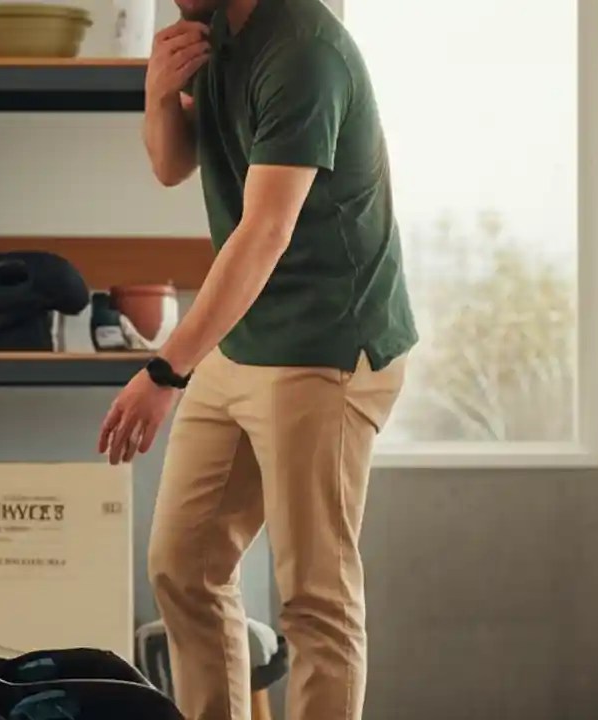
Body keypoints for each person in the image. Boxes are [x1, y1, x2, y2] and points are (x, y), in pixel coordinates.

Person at [97, 0, 417, 717]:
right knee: (183, 565)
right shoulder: (215, 33)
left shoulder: (303, 52)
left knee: (315, 598)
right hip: (244, 341)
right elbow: (172, 164)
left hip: (325, 349)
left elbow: (266, 230)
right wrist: (157, 92)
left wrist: (166, 368)